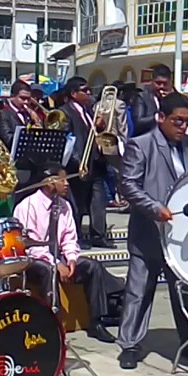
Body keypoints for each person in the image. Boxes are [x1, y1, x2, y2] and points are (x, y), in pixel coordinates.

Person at [116, 92, 188, 370]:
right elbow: (128, 185)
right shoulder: (141, 145)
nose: (182, 127)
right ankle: (129, 344)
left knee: (184, 290)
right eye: (177, 121)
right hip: (149, 230)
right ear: (161, 118)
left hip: (181, 233)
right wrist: (154, 208)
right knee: (139, 290)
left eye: (185, 122)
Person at [14, 163, 119, 343]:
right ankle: (52, 323)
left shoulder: (65, 205)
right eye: (62, 180)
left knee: (92, 267)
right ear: (49, 182)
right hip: (35, 259)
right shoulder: (27, 206)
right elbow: (31, 245)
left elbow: (69, 237)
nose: (67, 184)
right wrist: (56, 263)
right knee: (48, 270)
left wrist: (71, 258)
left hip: (58, 256)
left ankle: (96, 322)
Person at [59, 77, 112, 249]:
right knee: (77, 202)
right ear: (74, 93)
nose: (89, 94)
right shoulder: (65, 112)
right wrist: (77, 162)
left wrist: (100, 127)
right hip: (79, 163)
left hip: (95, 161)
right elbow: (66, 139)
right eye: (85, 90)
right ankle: (76, 236)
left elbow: (93, 134)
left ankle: (99, 235)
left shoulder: (88, 110)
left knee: (98, 200)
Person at [130, 64, 173, 137]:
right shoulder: (141, 97)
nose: (161, 87)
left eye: (165, 84)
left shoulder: (172, 99)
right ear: (152, 81)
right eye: (158, 83)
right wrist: (157, 117)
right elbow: (138, 123)